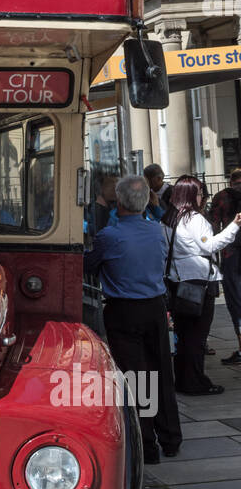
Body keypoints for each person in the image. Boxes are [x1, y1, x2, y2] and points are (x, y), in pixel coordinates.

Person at [84, 173, 181, 464]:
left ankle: (146, 445)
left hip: (124, 310)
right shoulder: (157, 231)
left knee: (137, 378)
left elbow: (88, 265)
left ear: (120, 201)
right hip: (154, 306)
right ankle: (171, 438)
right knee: (161, 371)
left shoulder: (109, 236)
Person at [164, 175, 241, 395]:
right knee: (196, 337)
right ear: (189, 195)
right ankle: (194, 382)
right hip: (198, 282)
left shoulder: (168, 217)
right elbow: (211, 245)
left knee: (184, 334)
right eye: (199, 193)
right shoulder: (193, 219)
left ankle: (185, 379)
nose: (202, 197)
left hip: (177, 280)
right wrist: (234, 226)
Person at [209, 168, 241, 364]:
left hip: (232, 255)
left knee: (236, 304)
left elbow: (213, 226)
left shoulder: (222, 197)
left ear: (230, 181)